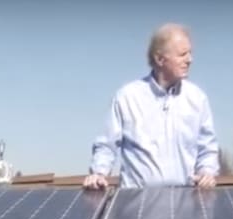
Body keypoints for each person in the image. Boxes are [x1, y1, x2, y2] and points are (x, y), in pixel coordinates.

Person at [84, 23, 219, 190]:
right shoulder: (127, 97)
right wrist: (99, 173)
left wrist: (207, 171)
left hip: (184, 202)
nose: (190, 60)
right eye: (183, 54)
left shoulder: (197, 99)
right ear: (160, 59)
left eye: (190, 53)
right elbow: (106, 145)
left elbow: (208, 147)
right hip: (136, 203)